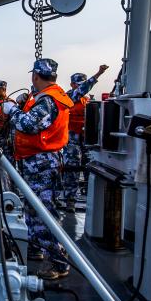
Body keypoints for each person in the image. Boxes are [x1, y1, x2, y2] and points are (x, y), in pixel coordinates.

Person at [2, 58, 74, 280]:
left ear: (35, 76)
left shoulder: (48, 101)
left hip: (40, 165)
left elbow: (28, 125)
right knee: (34, 209)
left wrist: (12, 110)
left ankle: (58, 263)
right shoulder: (48, 98)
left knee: (43, 212)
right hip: (37, 163)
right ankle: (36, 247)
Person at [61, 65, 109, 211]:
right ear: (72, 84)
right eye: (78, 85)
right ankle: (70, 199)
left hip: (87, 138)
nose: (80, 88)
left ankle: (91, 199)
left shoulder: (87, 101)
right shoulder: (69, 97)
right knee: (72, 168)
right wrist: (98, 74)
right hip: (72, 139)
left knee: (90, 167)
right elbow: (84, 88)